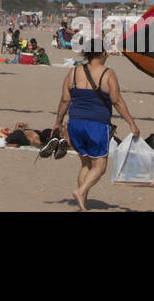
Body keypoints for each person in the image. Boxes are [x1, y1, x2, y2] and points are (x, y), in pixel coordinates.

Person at [49, 38, 141, 211]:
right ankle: (81, 190)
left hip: (75, 124)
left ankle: (82, 203)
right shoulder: (108, 73)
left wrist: (58, 122)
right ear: (103, 53)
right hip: (97, 125)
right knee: (100, 166)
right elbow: (116, 100)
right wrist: (132, 124)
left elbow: (64, 100)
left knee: (85, 164)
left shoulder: (74, 72)